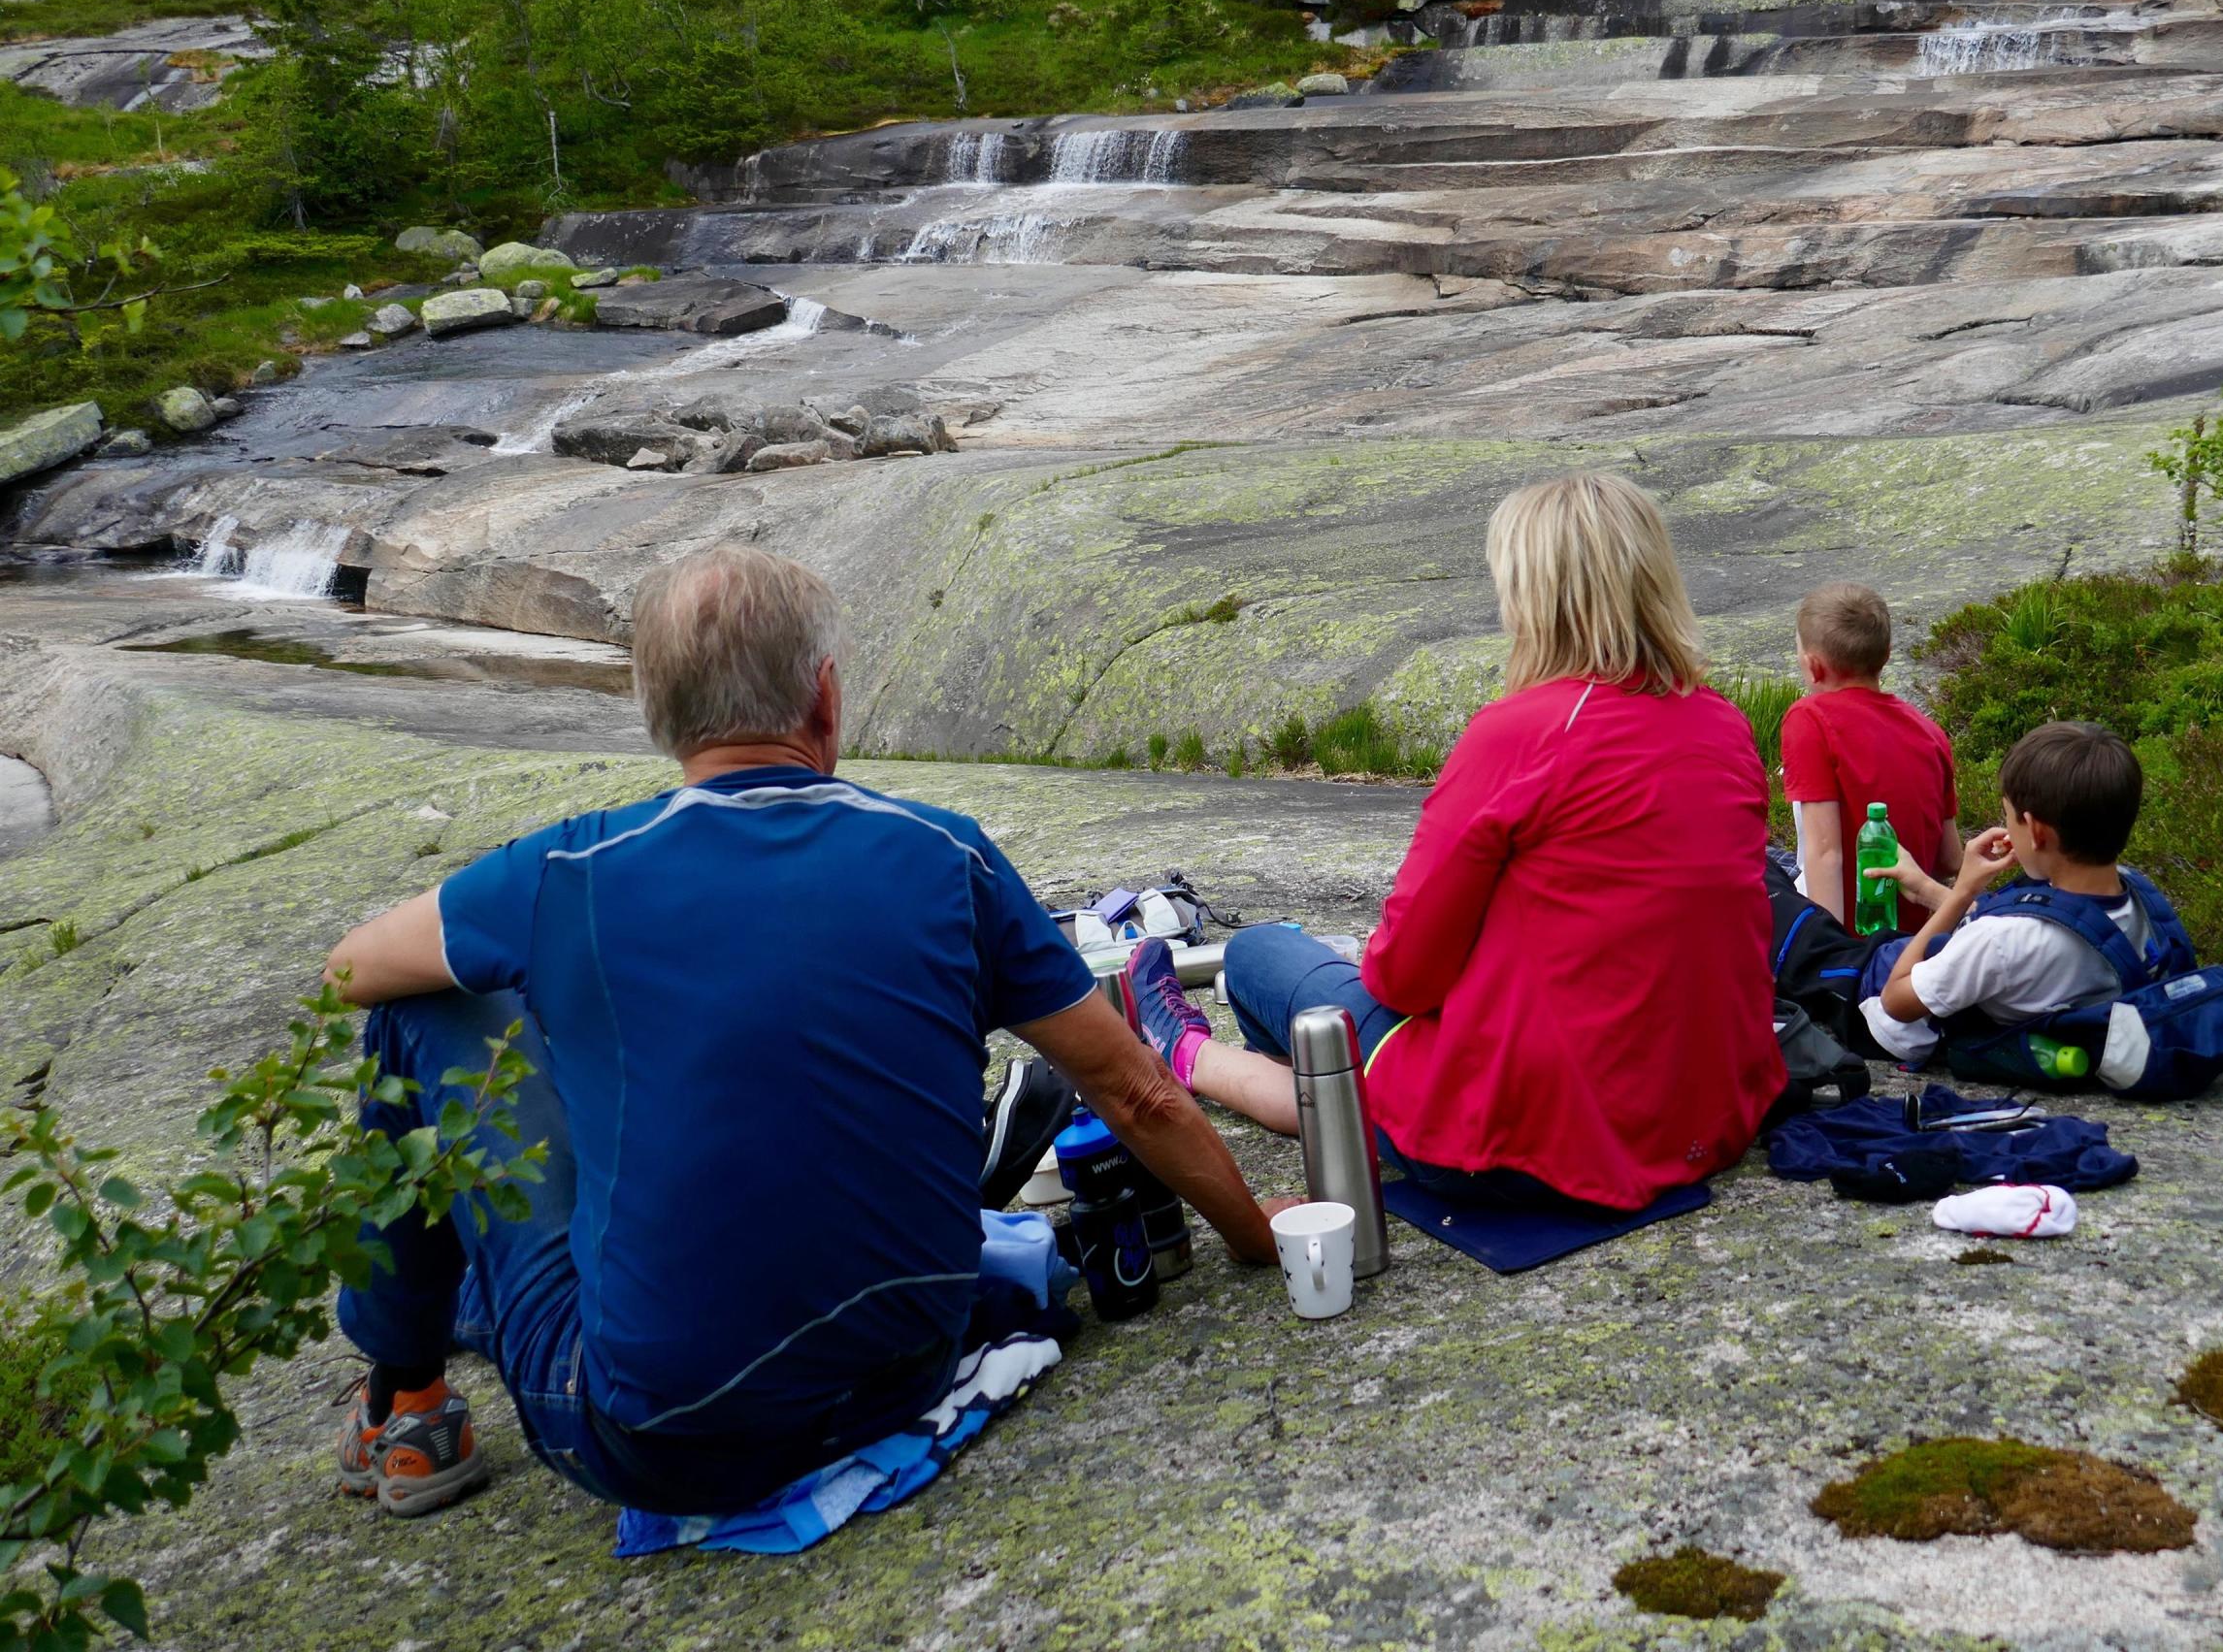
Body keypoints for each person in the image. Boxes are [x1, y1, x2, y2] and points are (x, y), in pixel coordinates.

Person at [319, 545, 1288, 1520]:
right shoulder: (945, 853)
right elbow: (1137, 1090)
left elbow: (350, 970)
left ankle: (407, 1401)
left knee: (425, 1004)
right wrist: (1257, 1236)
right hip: (907, 1368)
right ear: (825, 699)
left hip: (658, 1438)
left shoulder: (570, 871)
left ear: (659, 717)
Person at [1126, 472, 1784, 1213]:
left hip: (1531, 1144)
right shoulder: (1723, 727)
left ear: (1535, 598)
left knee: (1263, 954)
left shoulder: (1521, 734)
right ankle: (1332, 1099)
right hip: (1706, 1118)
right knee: (1354, 1033)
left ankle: (1181, 1052)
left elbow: (1402, 978)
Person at [1861, 720, 2181, 1069]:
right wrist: (1925, 888)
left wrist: (1964, 889)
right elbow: (2027, 931)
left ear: (2036, 831)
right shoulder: (2138, 899)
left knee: (1801, 926)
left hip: (1872, 999)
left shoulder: (2001, 940)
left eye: (2010, 816)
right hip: (1959, 978)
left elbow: (1895, 999)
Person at [1780, 582, 1960, 931]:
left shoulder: (1809, 719)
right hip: (1915, 935)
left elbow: (1825, 853)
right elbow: (1950, 858)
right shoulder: (1930, 732)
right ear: (1887, 654)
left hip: (1851, 937)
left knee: (1762, 866)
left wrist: (1829, 953)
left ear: (1813, 666)